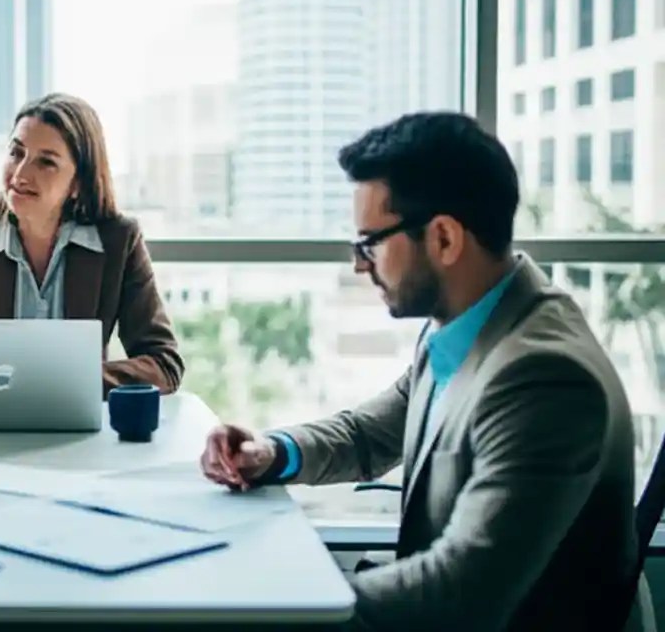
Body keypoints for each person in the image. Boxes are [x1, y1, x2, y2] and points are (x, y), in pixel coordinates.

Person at [199, 112, 648, 631]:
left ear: (444, 239)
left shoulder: (545, 378)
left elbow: (460, 589)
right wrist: (271, 452)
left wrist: (270, 599)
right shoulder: (467, 322)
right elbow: (370, 434)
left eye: (370, 243)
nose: (359, 265)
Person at [0, 92, 183, 394]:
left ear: (78, 183)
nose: (21, 174)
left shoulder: (118, 242)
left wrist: (68, 379)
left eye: (46, 162)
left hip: (82, 432)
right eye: (16, 153)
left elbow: (164, 364)